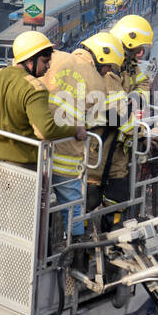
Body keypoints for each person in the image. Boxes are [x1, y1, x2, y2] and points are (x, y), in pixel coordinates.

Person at [0, 31, 85, 166]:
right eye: (45, 61)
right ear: (30, 60)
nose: (48, 66)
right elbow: (45, 130)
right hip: (24, 169)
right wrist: (76, 130)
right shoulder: (34, 88)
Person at [42, 31, 125, 241]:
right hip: (67, 157)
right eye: (107, 66)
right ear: (100, 57)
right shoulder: (97, 83)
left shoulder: (53, 56)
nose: (106, 72)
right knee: (73, 210)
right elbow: (106, 118)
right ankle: (74, 248)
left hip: (36, 148)